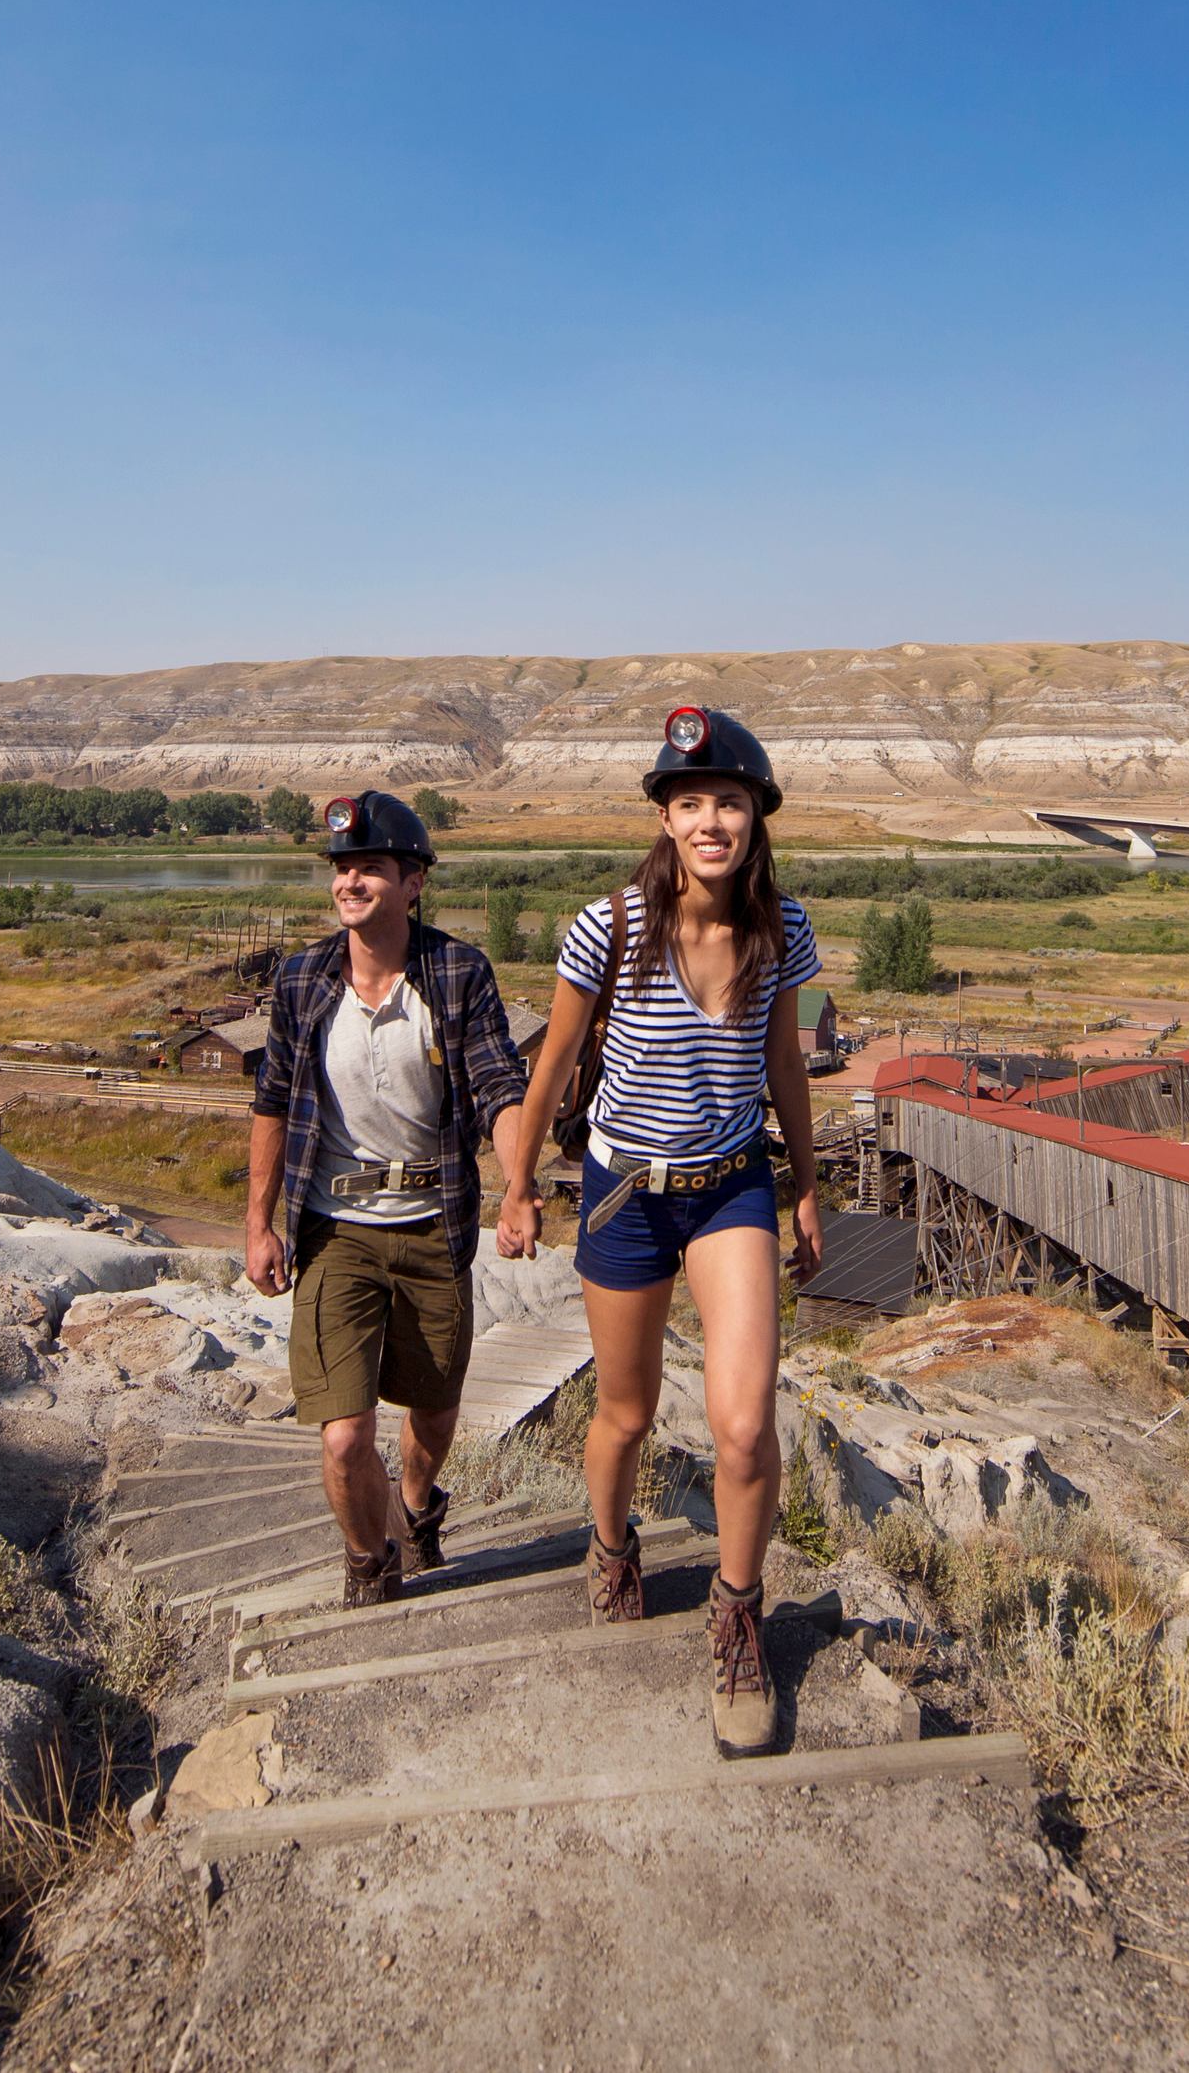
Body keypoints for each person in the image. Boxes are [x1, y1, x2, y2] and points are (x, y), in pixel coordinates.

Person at [501, 704, 824, 1758]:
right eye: (691, 802)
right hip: (623, 1191)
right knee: (627, 1412)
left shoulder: (783, 929)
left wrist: (806, 1186)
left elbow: (784, 1063)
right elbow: (553, 1060)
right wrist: (518, 1179)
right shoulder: (614, 925)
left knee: (741, 1422)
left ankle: (738, 1614)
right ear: (666, 816)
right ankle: (609, 1547)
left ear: (756, 815)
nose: (711, 820)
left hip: (730, 1185)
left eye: (728, 800)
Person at [245, 789, 536, 1608]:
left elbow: (497, 1086)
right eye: (342, 868)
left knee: (433, 1415)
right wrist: (259, 1222)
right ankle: (370, 1564)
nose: (350, 881)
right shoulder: (302, 978)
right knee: (343, 1436)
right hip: (335, 1232)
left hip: (434, 1228)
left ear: (413, 882)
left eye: (369, 867)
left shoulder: (455, 972)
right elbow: (272, 1101)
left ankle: (416, 1504)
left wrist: (517, 1187)